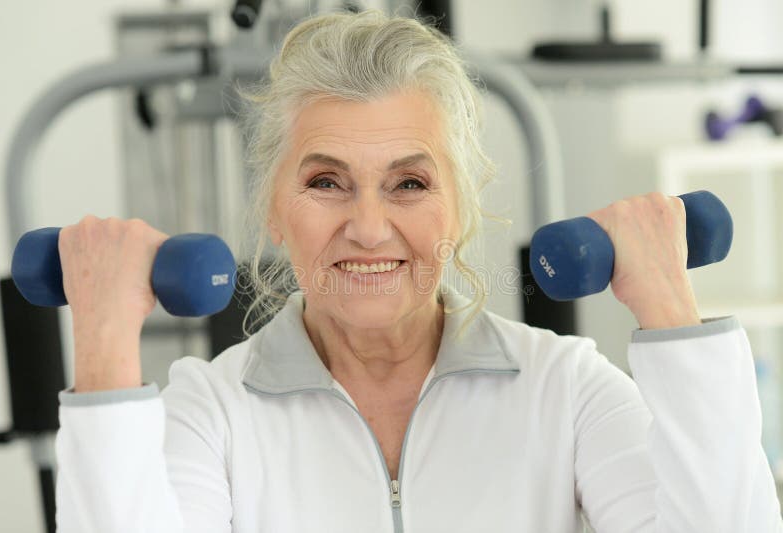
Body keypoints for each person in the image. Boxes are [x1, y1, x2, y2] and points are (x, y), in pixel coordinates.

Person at [54, 9, 782, 533]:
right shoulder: (213, 413)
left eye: (409, 183)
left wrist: (668, 308)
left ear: (459, 208)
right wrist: (105, 341)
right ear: (274, 212)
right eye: (326, 181)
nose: (369, 228)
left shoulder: (566, 388)